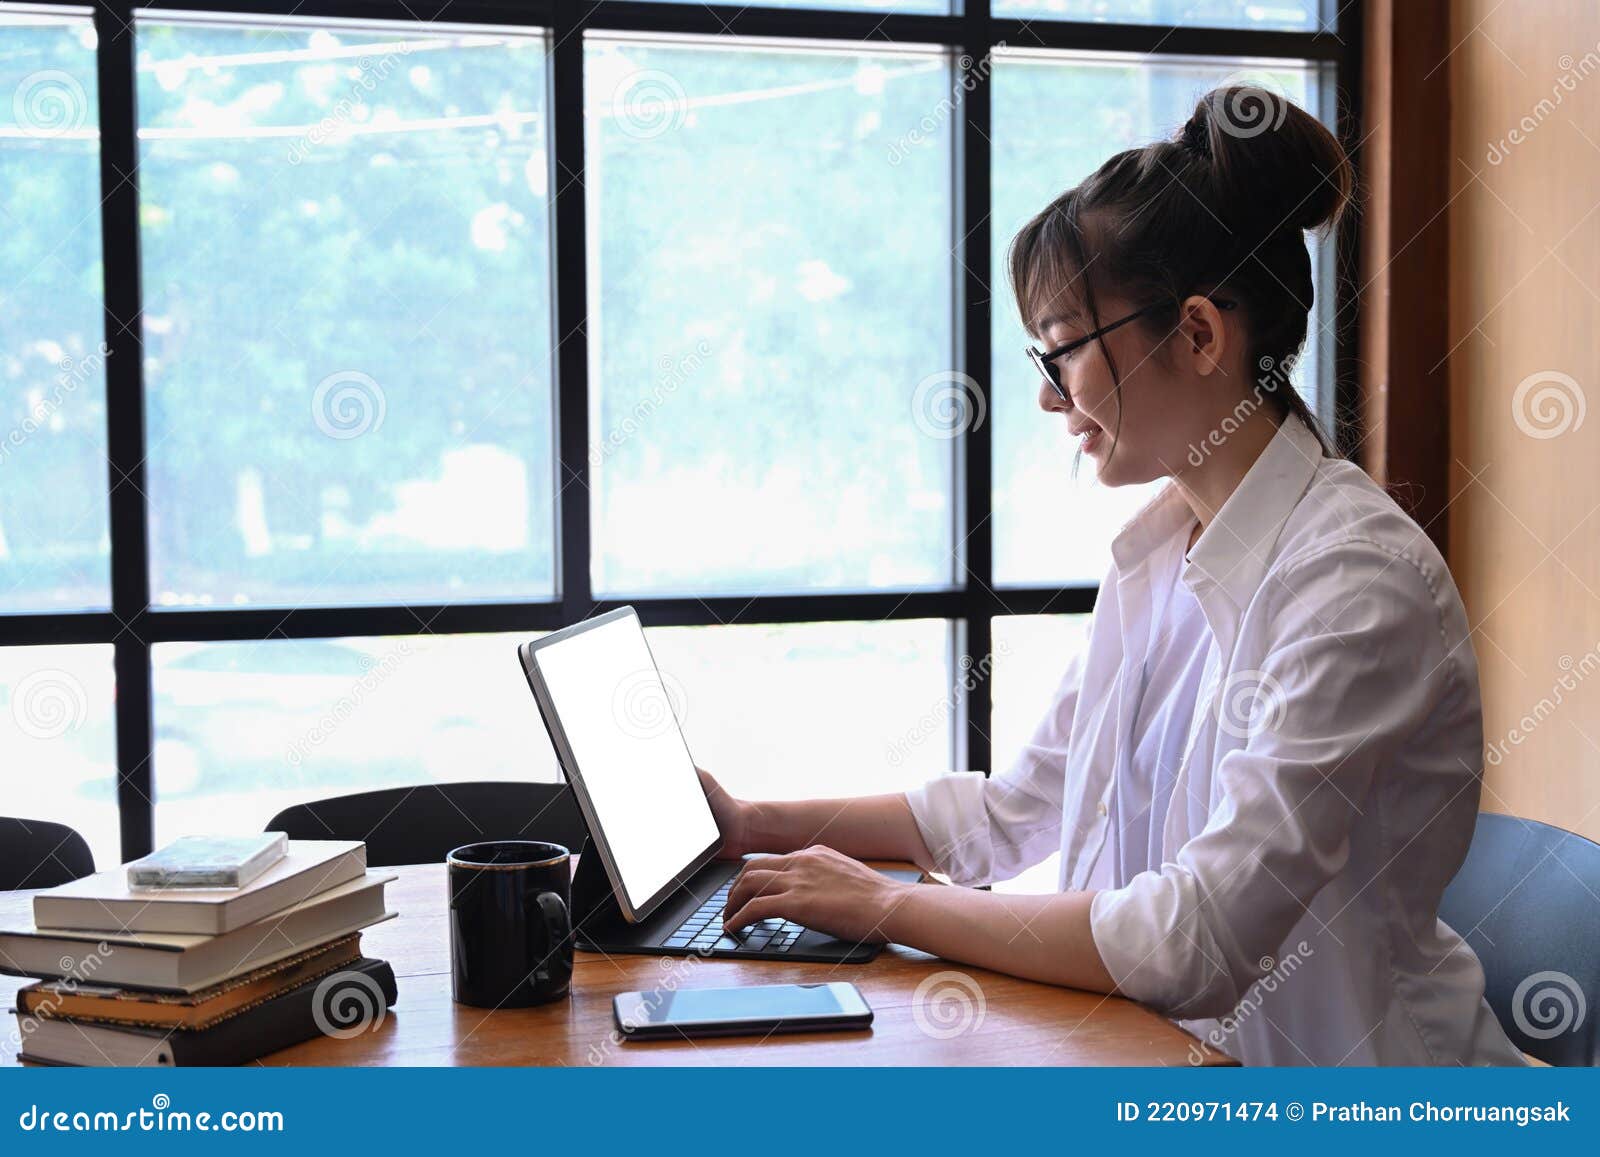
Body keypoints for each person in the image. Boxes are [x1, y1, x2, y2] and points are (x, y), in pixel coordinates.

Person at [707, 85, 1524, 1066]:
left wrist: (888, 904)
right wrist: (752, 824)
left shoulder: (1354, 584)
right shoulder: (1160, 555)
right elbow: (1019, 807)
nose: (1050, 396)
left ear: (1198, 335)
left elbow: (1200, 938)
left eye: (1065, 349)